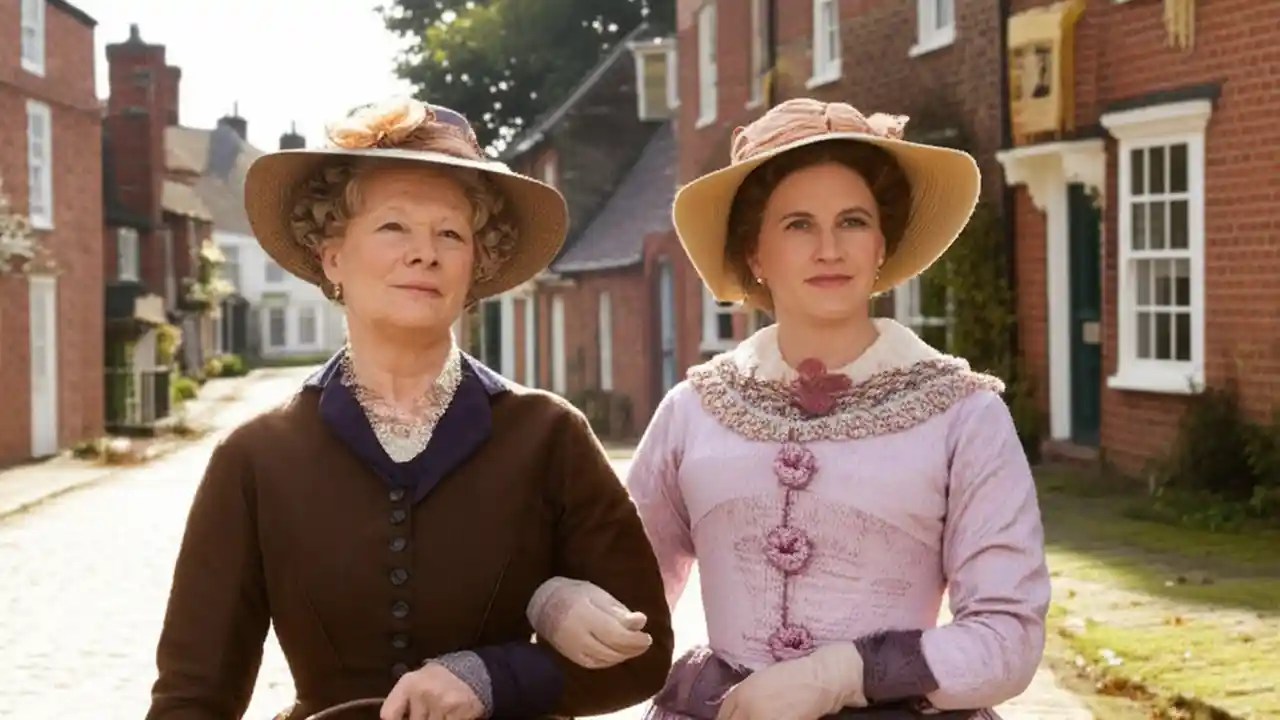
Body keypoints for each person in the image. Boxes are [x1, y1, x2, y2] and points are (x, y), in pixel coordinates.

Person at [145, 97, 673, 720]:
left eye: (450, 233)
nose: (424, 253)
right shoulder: (255, 456)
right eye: (394, 226)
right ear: (333, 256)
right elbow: (193, 696)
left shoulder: (549, 434)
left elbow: (645, 655)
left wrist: (492, 676)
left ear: (476, 263)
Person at [527, 98, 1050, 719]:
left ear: (882, 243)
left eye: (853, 221)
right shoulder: (693, 411)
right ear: (755, 252)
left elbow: (1008, 637)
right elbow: (628, 596)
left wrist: (839, 675)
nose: (830, 248)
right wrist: (557, 601)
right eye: (798, 224)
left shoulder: (963, 414)